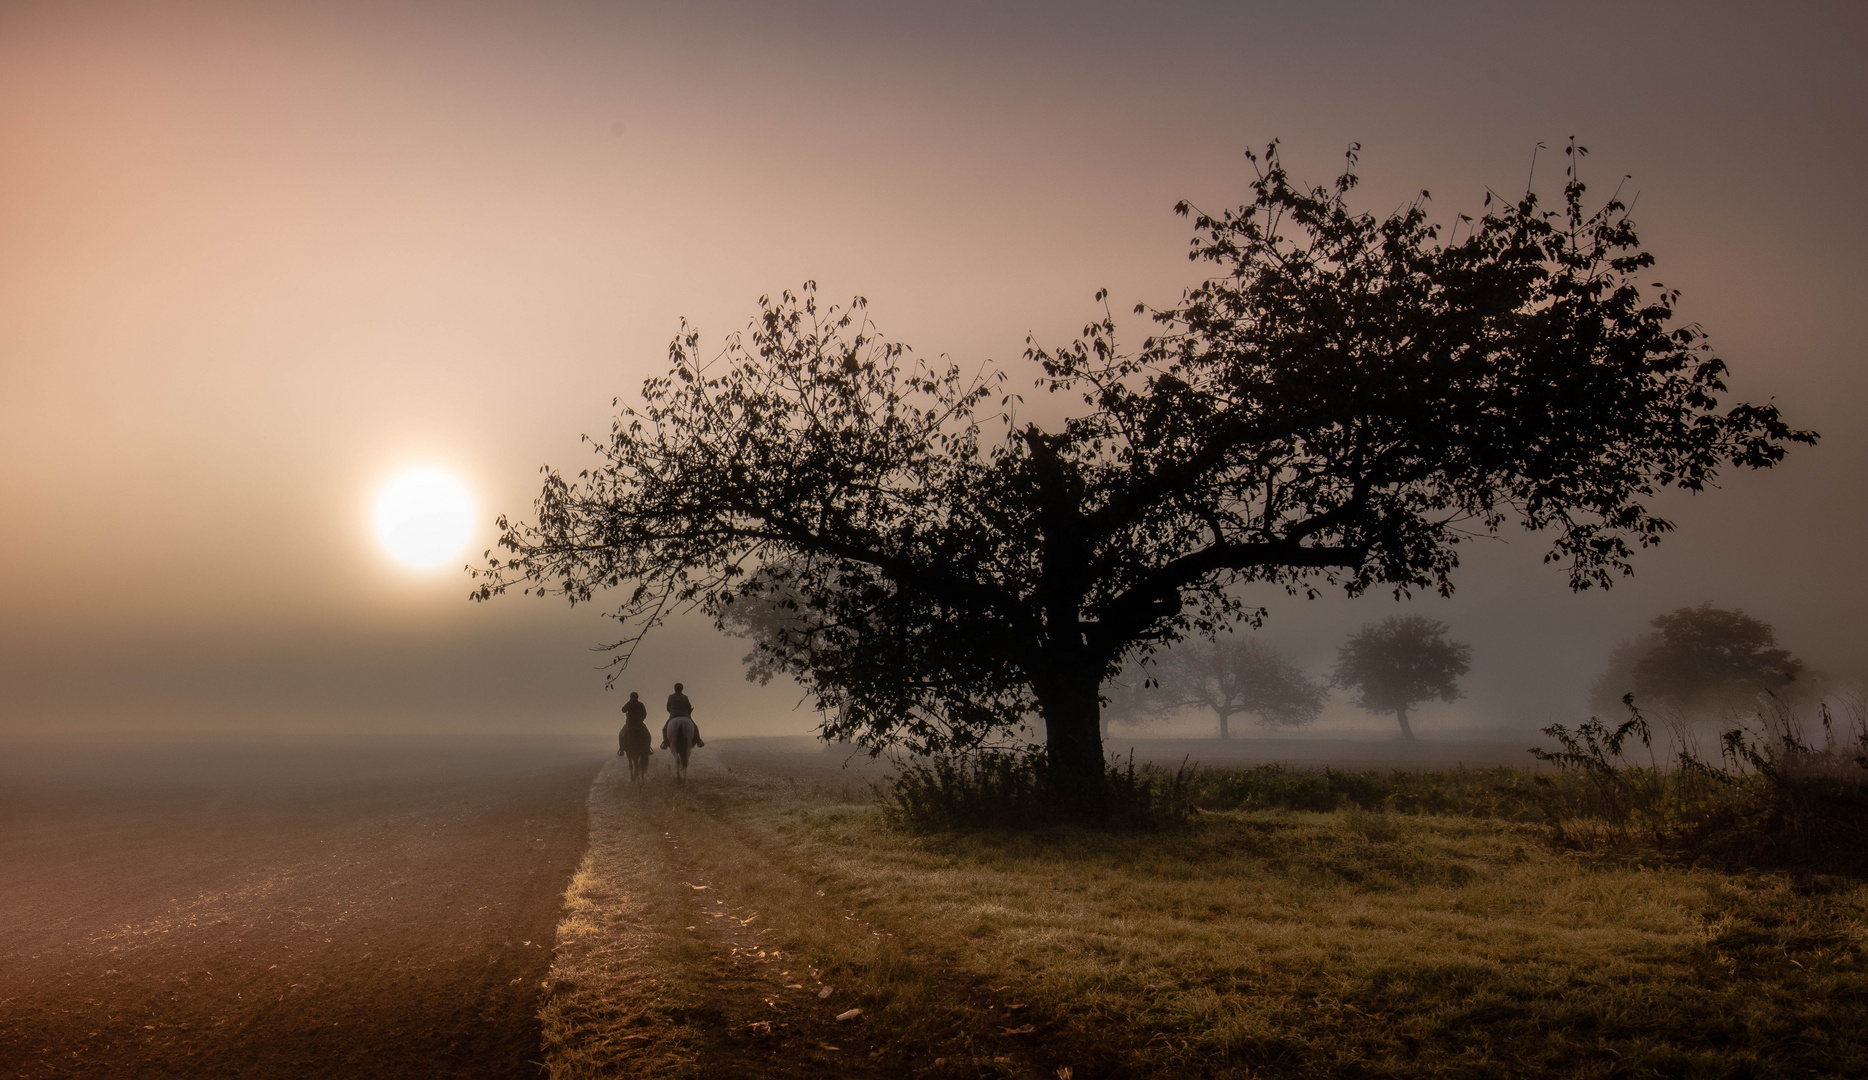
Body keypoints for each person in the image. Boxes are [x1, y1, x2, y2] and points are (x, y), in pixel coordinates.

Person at [661, 681, 703, 749]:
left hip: (673, 716)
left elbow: (668, 708)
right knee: (695, 727)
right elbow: (689, 707)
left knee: (664, 729)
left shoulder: (670, 697)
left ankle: (665, 743)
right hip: (685, 715)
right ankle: (699, 741)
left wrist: (672, 711)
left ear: (674, 689)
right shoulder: (685, 697)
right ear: (682, 689)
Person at [618, 691, 650, 756]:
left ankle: (621, 749)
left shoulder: (629, 703)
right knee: (648, 734)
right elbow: (644, 714)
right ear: (637, 697)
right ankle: (648, 748)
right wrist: (641, 720)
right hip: (639, 724)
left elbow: (623, 710)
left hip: (630, 724)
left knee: (621, 734)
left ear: (630, 697)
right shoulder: (641, 704)